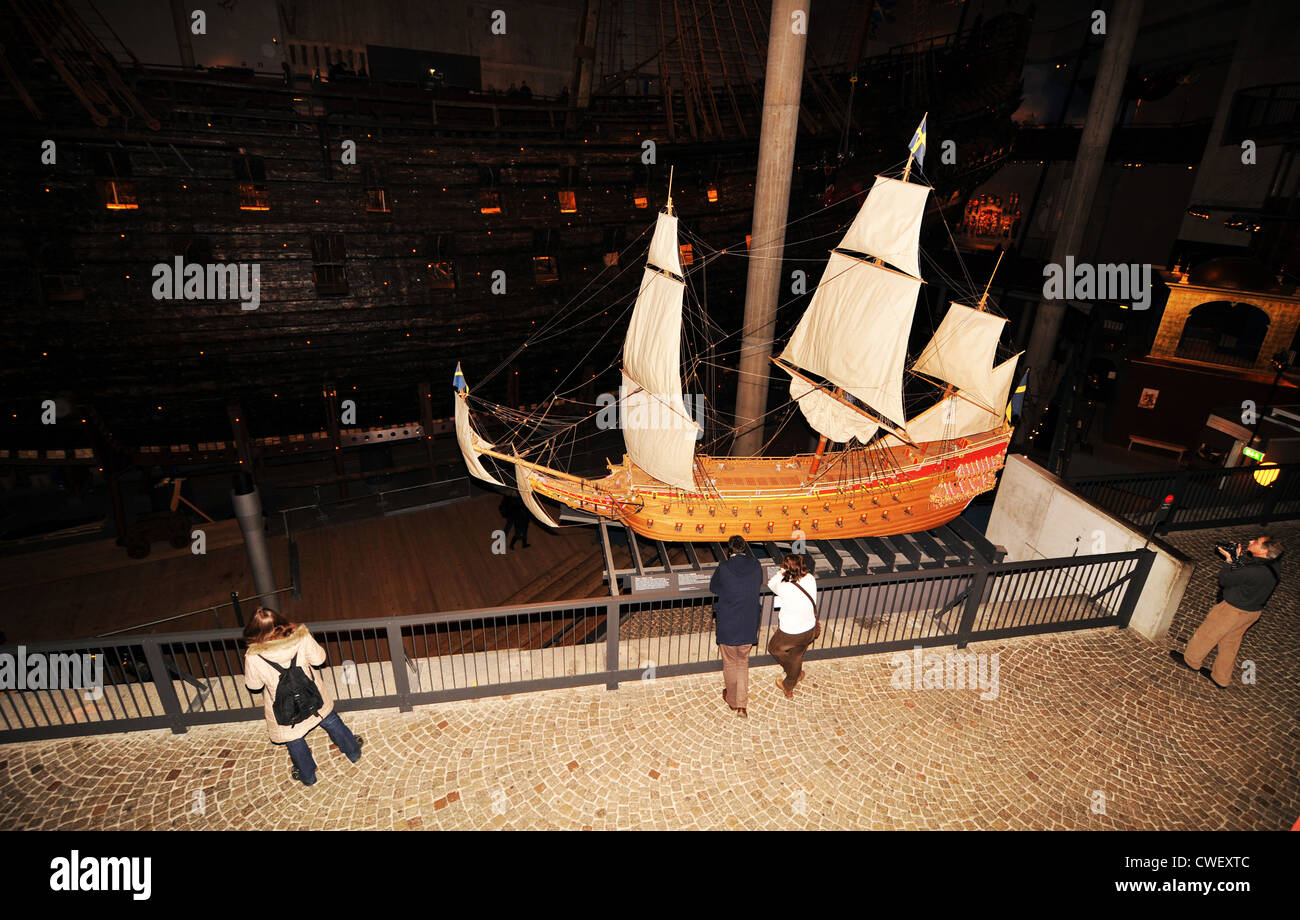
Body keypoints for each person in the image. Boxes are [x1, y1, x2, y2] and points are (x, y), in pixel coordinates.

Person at [243, 607, 363, 786]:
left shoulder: (253, 656)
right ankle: (353, 751)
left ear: (254, 630)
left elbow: (254, 685)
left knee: (294, 738)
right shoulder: (301, 638)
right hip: (311, 694)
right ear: (279, 621)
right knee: (330, 720)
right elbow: (319, 659)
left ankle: (308, 776)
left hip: (283, 706)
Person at [1170, 535, 1284, 689]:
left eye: (1256, 542)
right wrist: (1237, 557)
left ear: (1264, 551)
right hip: (1253, 612)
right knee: (1230, 643)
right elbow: (1246, 572)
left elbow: (1225, 580)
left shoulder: (1255, 571)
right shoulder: (1273, 566)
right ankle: (1221, 678)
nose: (1251, 541)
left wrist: (1229, 560)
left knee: (1207, 633)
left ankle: (1191, 661)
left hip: (1233, 610)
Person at [710, 535, 762, 717]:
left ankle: (733, 701)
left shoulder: (724, 568)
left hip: (728, 624)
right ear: (745, 548)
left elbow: (714, 588)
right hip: (748, 624)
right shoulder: (756, 565)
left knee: (730, 663)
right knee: (743, 662)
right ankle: (742, 705)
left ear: (729, 549)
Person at [766, 554, 820, 699]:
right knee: (797, 655)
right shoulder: (810, 579)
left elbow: (771, 584)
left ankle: (793, 673)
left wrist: (780, 572)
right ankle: (789, 685)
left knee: (774, 649)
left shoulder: (784, 587)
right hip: (809, 628)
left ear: (787, 568)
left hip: (790, 631)